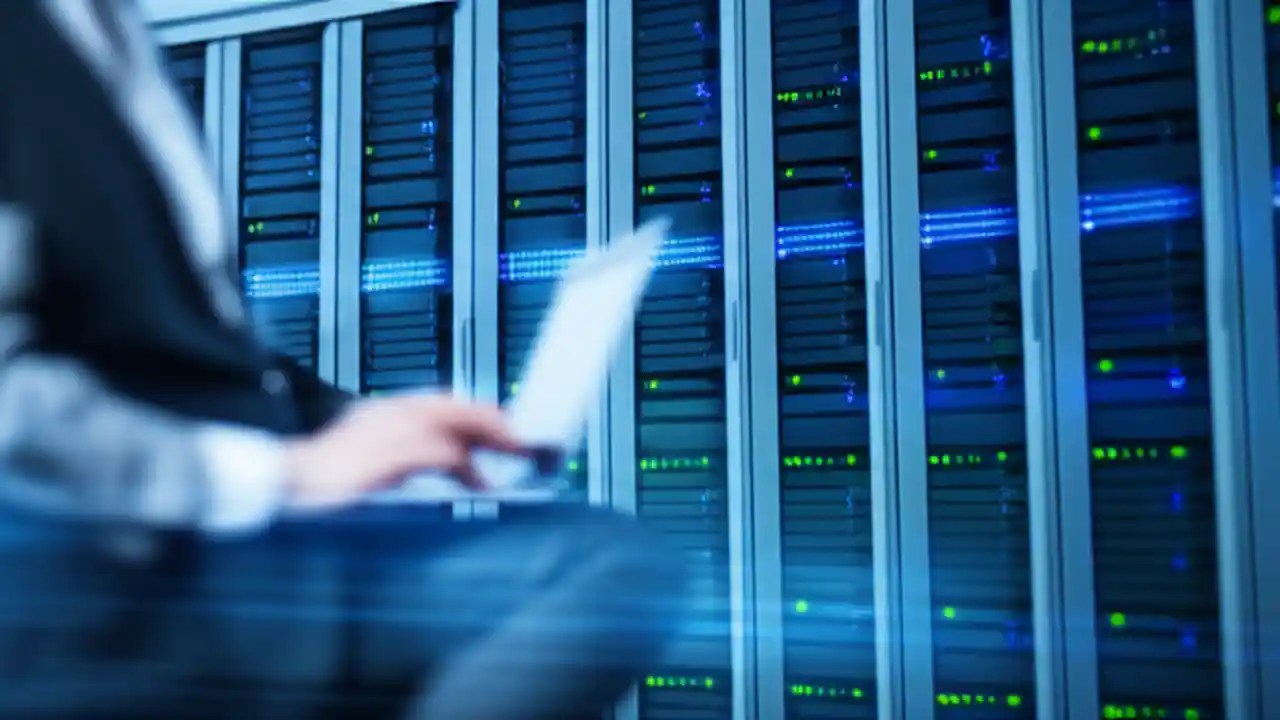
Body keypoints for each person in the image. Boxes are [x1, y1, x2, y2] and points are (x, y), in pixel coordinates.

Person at [0, 1, 686, 718]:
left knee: (594, 563)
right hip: (118, 598)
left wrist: (374, 429)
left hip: (234, 567)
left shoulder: (105, 32)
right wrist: (290, 473)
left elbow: (180, 350)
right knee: (595, 569)